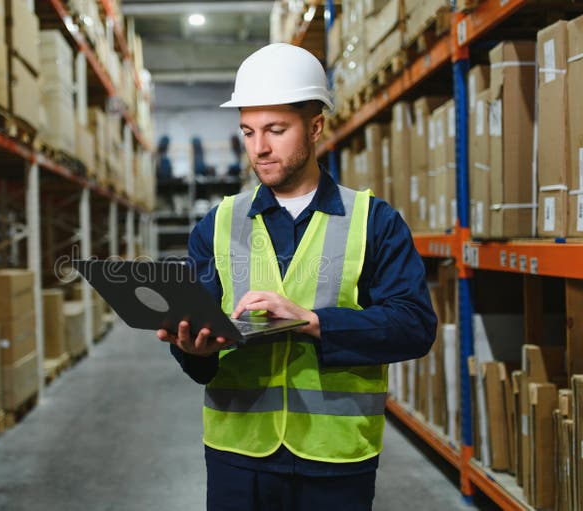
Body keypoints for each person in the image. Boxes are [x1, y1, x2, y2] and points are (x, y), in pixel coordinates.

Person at [156, 43, 436, 511]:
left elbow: (414, 326)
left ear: (316, 126)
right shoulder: (217, 225)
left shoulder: (374, 221)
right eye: (247, 132)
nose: (258, 148)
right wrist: (192, 350)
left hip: (336, 455)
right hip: (237, 453)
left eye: (275, 130)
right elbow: (199, 340)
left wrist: (312, 321)